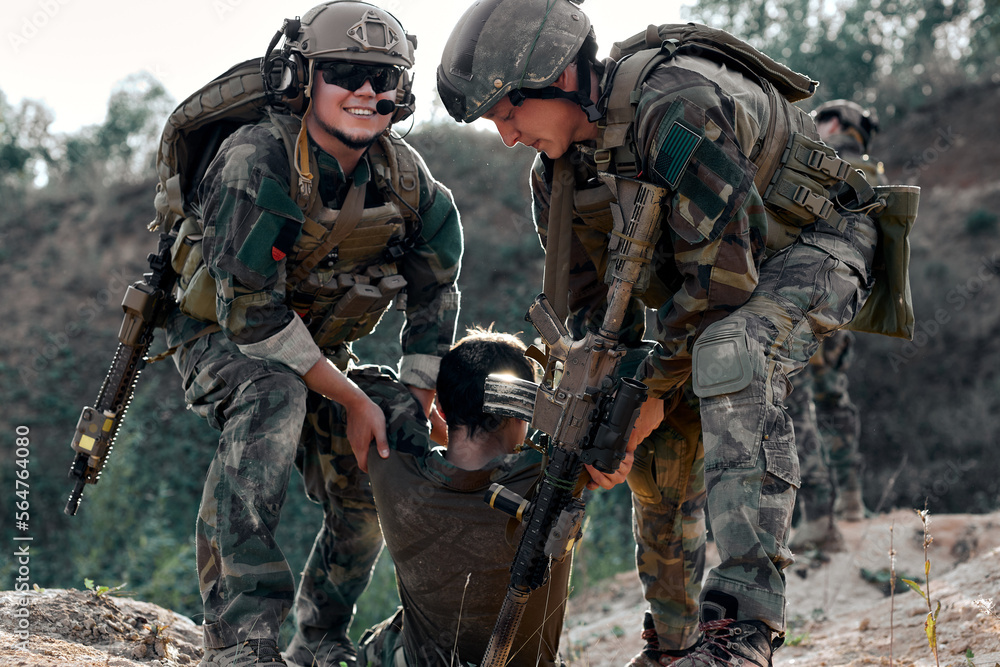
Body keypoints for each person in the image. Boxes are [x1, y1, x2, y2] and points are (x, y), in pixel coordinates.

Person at [437, 4, 885, 665]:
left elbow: (726, 274)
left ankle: (741, 628)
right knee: (639, 424)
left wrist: (650, 393)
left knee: (730, 353)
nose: (506, 136)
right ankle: (675, 642)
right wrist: (604, 415)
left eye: (510, 112)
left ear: (560, 76)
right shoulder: (558, 176)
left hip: (810, 244)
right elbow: (592, 318)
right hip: (710, 286)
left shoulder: (674, 105)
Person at [161, 3, 463, 665]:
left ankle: (322, 637)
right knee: (275, 394)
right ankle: (241, 639)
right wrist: (351, 400)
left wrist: (410, 396)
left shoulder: (407, 181)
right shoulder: (256, 160)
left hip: (320, 351)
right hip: (226, 343)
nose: (366, 91)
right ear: (305, 77)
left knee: (388, 439)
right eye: (345, 72)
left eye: (382, 77)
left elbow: (436, 286)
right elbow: (255, 321)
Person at [333, 329, 571, 666]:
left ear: (442, 408)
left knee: (382, 640)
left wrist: (420, 413)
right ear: (523, 408)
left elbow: (373, 382)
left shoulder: (392, 464)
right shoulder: (553, 476)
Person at [786, 99, 882, 552]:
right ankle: (851, 501)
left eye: (821, 120)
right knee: (834, 400)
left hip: (805, 297)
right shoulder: (871, 170)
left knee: (798, 403)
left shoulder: (826, 162)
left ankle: (818, 517)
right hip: (843, 307)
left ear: (836, 123)